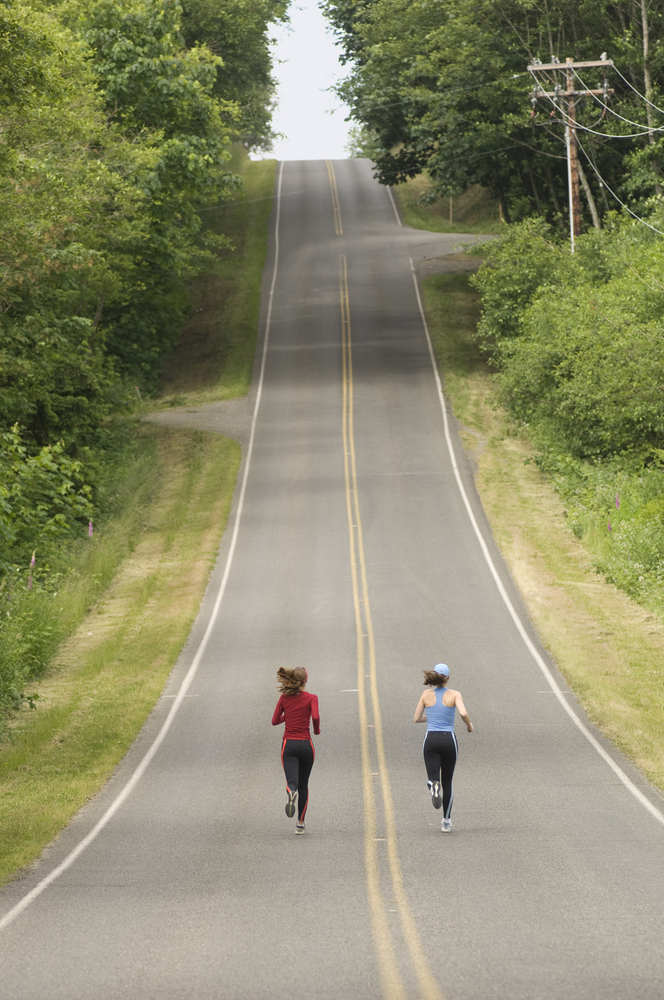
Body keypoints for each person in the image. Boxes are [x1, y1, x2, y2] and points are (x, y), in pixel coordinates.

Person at [413, 662, 473, 832]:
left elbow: (416, 718)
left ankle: (433, 785)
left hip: (431, 739)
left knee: (434, 777)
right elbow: (462, 713)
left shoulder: (426, 694)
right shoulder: (455, 694)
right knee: (448, 781)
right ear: (448, 678)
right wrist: (469, 725)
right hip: (449, 740)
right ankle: (446, 822)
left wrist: (431, 717)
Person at [271, 667, 320, 835]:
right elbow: (315, 716)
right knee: (304, 785)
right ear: (305, 680)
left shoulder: (284, 698)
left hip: (289, 745)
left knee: (293, 782)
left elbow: (274, 721)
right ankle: (300, 823)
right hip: (306, 745)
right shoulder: (312, 698)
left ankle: (291, 792)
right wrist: (316, 730)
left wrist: (288, 716)